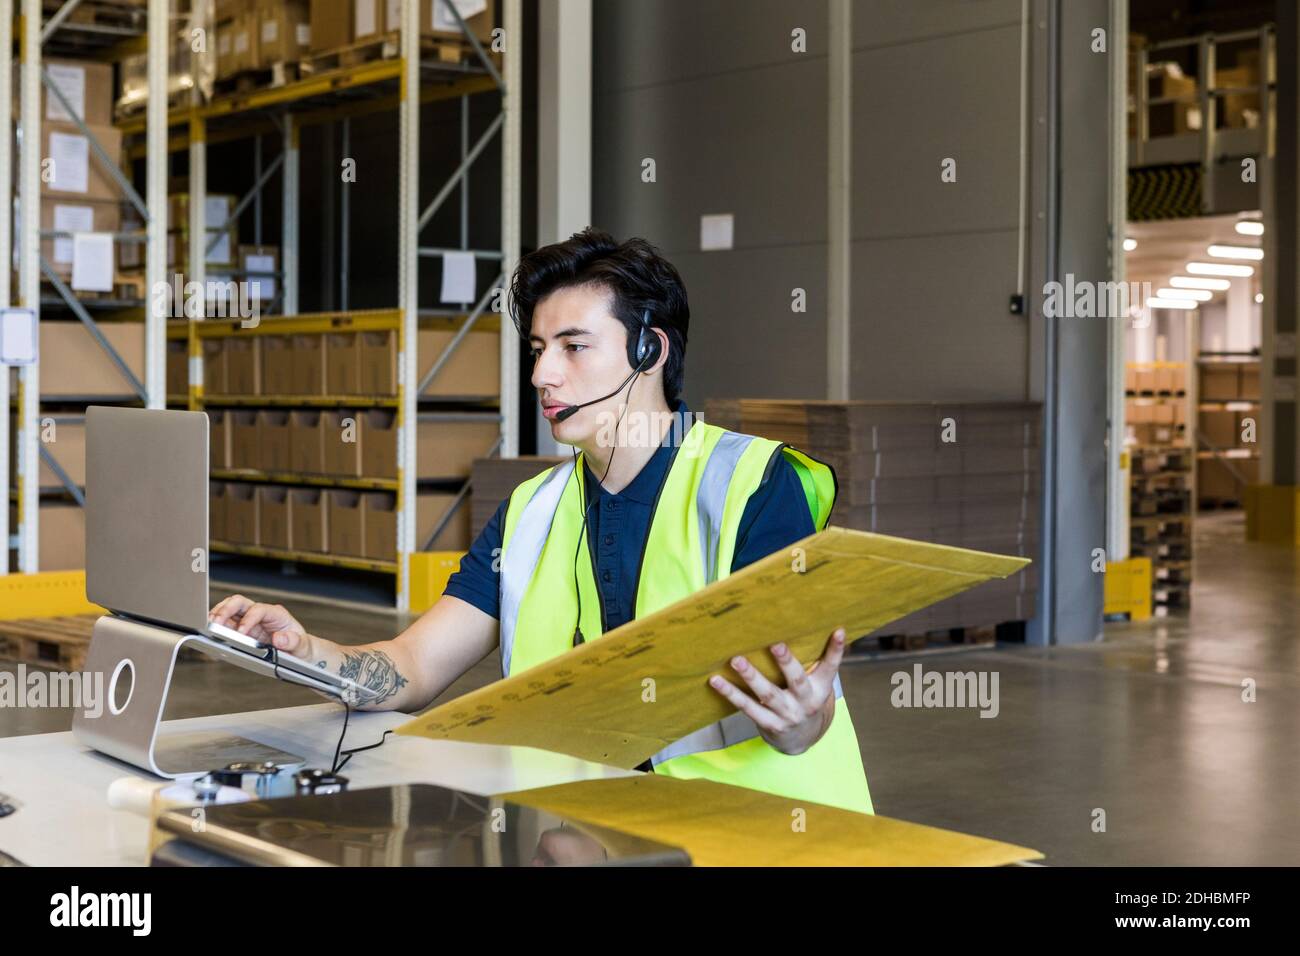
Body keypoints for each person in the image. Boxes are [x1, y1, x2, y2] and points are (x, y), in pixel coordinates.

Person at [210, 228, 873, 814]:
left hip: (764, 836)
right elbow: (413, 663)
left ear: (650, 350)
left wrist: (799, 725)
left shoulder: (753, 485)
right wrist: (305, 652)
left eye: (573, 346)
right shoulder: (533, 511)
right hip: (604, 832)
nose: (542, 374)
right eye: (537, 348)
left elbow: (801, 703)